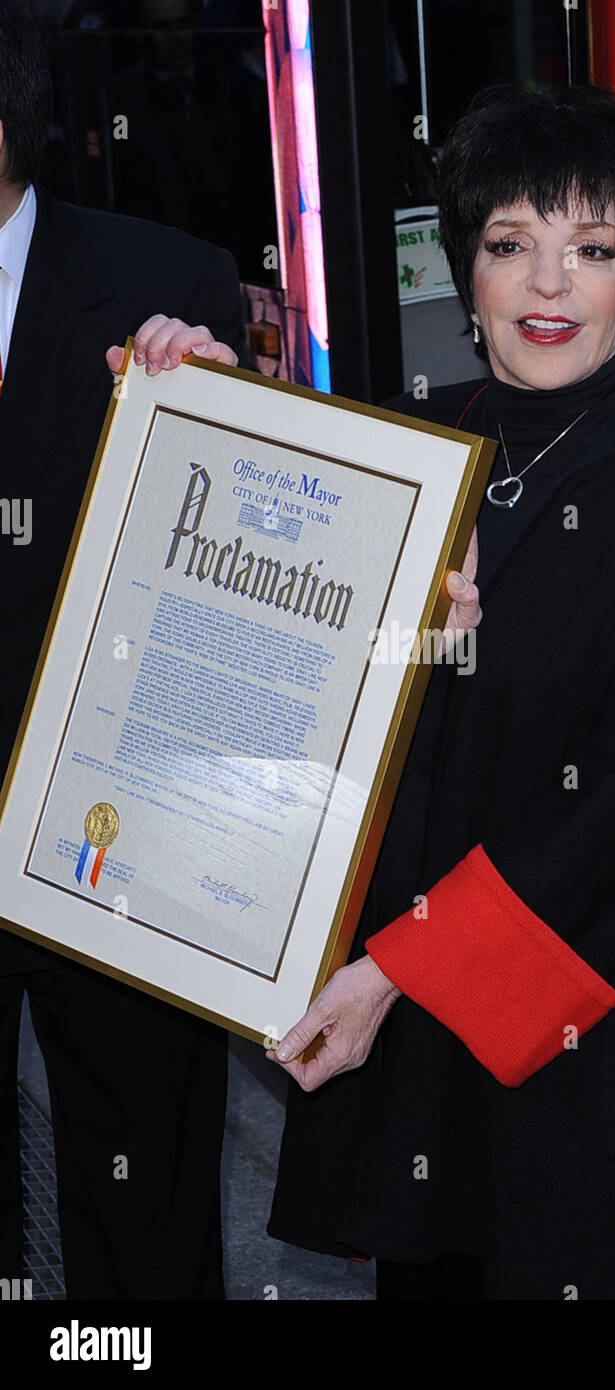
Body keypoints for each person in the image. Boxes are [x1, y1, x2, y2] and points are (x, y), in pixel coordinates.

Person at [137, 83, 615, 1300]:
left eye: (590, 250)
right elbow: (287, 657)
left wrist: (388, 972)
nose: (546, 286)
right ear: (462, 271)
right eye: (507, 246)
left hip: (591, 1018)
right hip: (425, 1024)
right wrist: (201, 409)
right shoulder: (413, 451)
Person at [0, 0, 243, 1298]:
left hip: (122, 837)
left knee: (142, 1204)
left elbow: (251, 563)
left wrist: (215, 409)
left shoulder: (169, 281)